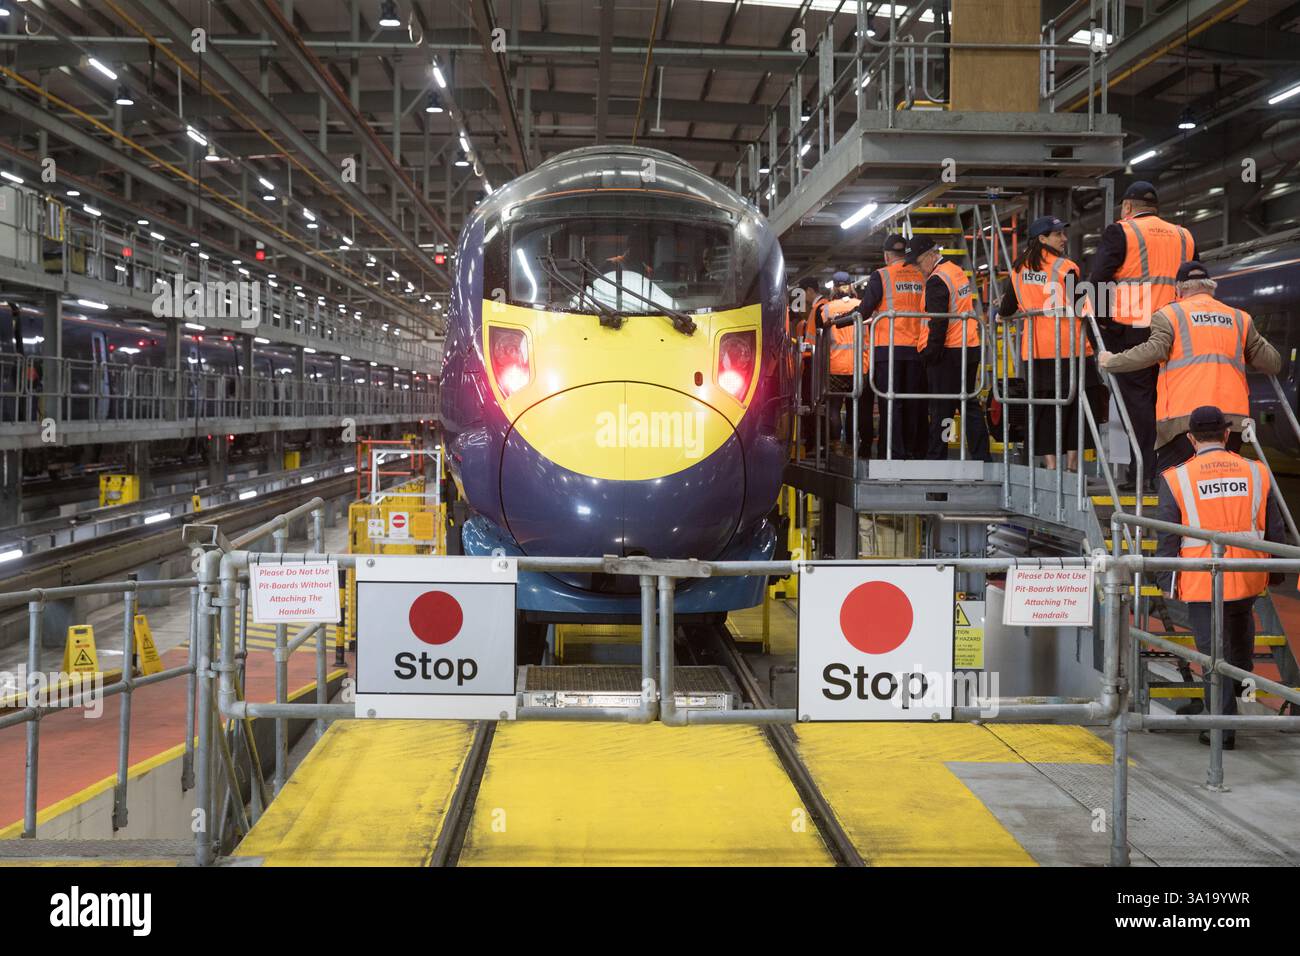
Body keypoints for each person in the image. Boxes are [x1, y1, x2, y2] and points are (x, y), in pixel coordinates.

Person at [1153, 405, 1286, 748]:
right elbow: (1274, 527)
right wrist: (1273, 571)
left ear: (1191, 438)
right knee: (1240, 635)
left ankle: (1221, 729)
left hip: (1203, 578)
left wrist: (1166, 580)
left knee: (1213, 654)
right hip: (1247, 572)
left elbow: (1167, 536)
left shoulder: (1176, 477)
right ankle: (1242, 694)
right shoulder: (1256, 471)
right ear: (1227, 435)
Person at [1099, 260, 1280, 473]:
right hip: (1232, 421)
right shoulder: (1240, 318)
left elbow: (1153, 350)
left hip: (1184, 421)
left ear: (1178, 289)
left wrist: (1112, 361)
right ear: (1211, 287)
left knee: (1179, 489)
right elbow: (1273, 362)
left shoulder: (1169, 315)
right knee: (1220, 485)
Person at [1088, 180, 1195, 490]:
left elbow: (1098, 280)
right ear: (1156, 208)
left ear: (1127, 207)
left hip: (1134, 331)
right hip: (1177, 329)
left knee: (1138, 403)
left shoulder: (1121, 231)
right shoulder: (1183, 235)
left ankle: (1144, 473)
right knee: (1171, 402)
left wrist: (1105, 322)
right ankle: (1173, 472)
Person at [998, 215, 1104, 471]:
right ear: (1042, 239)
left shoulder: (1018, 269)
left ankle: (1051, 466)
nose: (1064, 238)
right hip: (1071, 348)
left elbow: (1008, 307)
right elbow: (1083, 308)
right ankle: (1072, 466)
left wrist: (1001, 314)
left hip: (1036, 351)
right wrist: (1099, 346)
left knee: (1044, 409)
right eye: (1058, 234)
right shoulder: (1065, 267)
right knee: (1077, 405)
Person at [913, 234, 989, 461]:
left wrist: (930, 355)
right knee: (969, 405)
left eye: (917, 263)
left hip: (948, 353)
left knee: (942, 410)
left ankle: (936, 459)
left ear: (929, 256)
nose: (918, 270)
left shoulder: (937, 280)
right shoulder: (955, 270)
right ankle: (982, 457)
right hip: (968, 347)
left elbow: (938, 322)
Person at [852, 233, 927, 459]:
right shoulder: (921, 275)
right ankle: (914, 452)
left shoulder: (881, 275)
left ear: (886, 256)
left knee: (890, 403)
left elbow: (865, 309)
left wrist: (847, 319)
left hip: (888, 350)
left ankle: (893, 453)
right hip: (917, 348)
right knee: (913, 403)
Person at [822, 271, 864, 454]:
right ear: (851, 286)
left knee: (834, 408)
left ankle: (836, 445)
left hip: (836, 365)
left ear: (834, 288)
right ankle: (852, 446)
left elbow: (824, 335)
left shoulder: (827, 309)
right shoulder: (862, 306)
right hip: (859, 365)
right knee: (855, 407)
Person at [792, 276, 826, 454]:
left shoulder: (821, 308)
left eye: (803, 293)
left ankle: (817, 444)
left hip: (817, 363)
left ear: (810, 291)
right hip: (814, 362)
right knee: (811, 401)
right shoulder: (816, 309)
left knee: (814, 401)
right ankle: (814, 442)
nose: (802, 298)